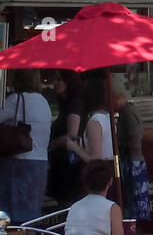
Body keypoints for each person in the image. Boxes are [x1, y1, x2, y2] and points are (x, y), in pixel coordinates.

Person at [0, 69, 52, 226]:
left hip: (18, 163)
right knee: (32, 216)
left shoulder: (15, 100)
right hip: (41, 162)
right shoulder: (43, 101)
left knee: (12, 215)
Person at [111, 77, 150, 223]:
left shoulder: (128, 113)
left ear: (118, 97)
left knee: (133, 199)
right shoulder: (127, 111)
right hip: (133, 161)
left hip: (133, 162)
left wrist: (120, 146)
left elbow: (135, 140)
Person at [47, 70, 84, 203]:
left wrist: (51, 145)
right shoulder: (64, 104)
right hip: (62, 163)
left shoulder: (74, 104)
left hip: (69, 165)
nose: (55, 83)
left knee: (67, 202)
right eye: (54, 79)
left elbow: (71, 135)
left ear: (69, 81)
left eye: (59, 79)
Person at [72, 72, 113, 164]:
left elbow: (96, 160)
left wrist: (75, 148)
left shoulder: (94, 122)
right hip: (110, 169)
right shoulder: (108, 117)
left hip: (100, 173)